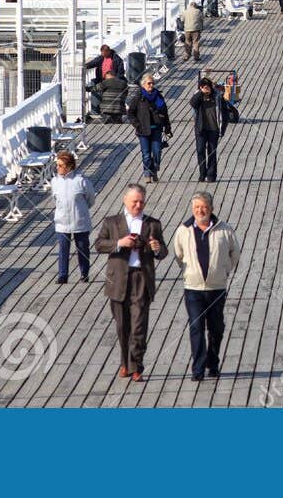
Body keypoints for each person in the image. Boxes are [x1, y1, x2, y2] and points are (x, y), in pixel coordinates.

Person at [94, 184, 167, 382]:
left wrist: (156, 247)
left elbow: (163, 253)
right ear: (125, 201)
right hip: (118, 280)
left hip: (141, 278)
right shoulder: (112, 222)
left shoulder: (153, 224)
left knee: (139, 326)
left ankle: (137, 365)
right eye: (134, 201)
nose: (138, 205)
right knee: (122, 325)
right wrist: (119, 243)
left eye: (141, 201)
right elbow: (99, 244)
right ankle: (125, 362)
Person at [171, 190, 241, 381]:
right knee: (196, 326)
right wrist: (189, 271)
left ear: (211, 208)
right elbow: (178, 254)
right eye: (196, 207)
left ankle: (213, 361)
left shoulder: (224, 230)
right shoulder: (183, 230)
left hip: (216, 287)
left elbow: (235, 253)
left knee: (216, 327)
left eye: (204, 207)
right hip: (193, 289)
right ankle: (198, 369)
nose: (200, 210)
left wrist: (224, 270)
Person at [49, 151, 94, 283]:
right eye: (57, 165)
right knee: (63, 249)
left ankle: (84, 273)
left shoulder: (81, 181)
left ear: (69, 166)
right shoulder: (55, 181)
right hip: (62, 221)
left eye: (60, 165)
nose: (57, 168)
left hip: (79, 221)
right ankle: (63, 275)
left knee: (83, 248)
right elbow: (55, 198)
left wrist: (82, 210)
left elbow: (90, 198)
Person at [125, 73, 171, 182]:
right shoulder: (138, 97)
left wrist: (167, 127)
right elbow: (130, 113)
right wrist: (137, 124)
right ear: (143, 84)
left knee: (157, 152)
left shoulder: (158, 96)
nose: (151, 85)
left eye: (152, 83)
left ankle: (154, 170)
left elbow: (165, 112)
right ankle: (147, 173)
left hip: (156, 128)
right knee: (146, 154)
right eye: (149, 83)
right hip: (143, 129)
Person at [191, 76, 222, 182]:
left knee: (212, 152)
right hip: (201, 128)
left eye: (207, 87)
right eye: (203, 87)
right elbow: (192, 103)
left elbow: (224, 113)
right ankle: (202, 172)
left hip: (214, 128)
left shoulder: (216, 96)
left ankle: (211, 175)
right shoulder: (198, 96)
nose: (206, 89)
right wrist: (201, 93)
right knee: (200, 150)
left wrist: (223, 127)